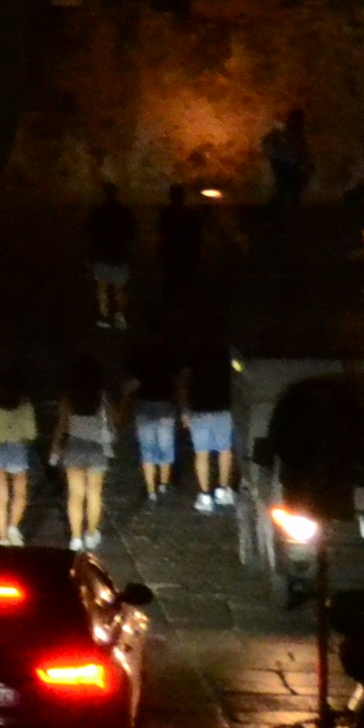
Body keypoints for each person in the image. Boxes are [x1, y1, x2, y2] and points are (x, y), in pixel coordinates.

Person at [55, 355, 113, 552]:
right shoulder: (101, 397)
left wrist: (56, 446)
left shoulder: (68, 397)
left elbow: (62, 425)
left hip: (74, 446)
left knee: (75, 494)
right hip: (96, 447)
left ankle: (76, 538)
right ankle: (91, 533)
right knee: (94, 493)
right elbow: (113, 421)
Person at [0, 374, 37, 543]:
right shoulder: (25, 406)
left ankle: (2, 537)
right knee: (20, 493)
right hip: (17, 448)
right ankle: (13, 527)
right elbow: (31, 433)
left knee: (0, 492)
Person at [185, 343, 239, 512]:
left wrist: (185, 409)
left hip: (199, 409)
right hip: (222, 408)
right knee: (225, 451)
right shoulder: (228, 352)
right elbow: (239, 370)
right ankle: (222, 490)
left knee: (201, 454)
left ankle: (204, 495)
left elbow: (184, 380)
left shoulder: (193, 352)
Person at [131, 351, 183, 507]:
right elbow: (178, 381)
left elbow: (133, 382)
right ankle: (164, 484)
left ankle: (151, 491)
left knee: (147, 451)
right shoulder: (169, 355)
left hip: (144, 407)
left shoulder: (139, 355)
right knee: (166, 449)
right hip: (166, 406)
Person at [84, 183, 136, 331]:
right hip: (120, 254)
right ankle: (120, 316)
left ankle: (105, 317)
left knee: (102, 288)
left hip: (102, 255)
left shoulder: (98, 212)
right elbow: (132, 233)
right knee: (119, 288)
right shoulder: (124, 212)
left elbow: (89, 232)